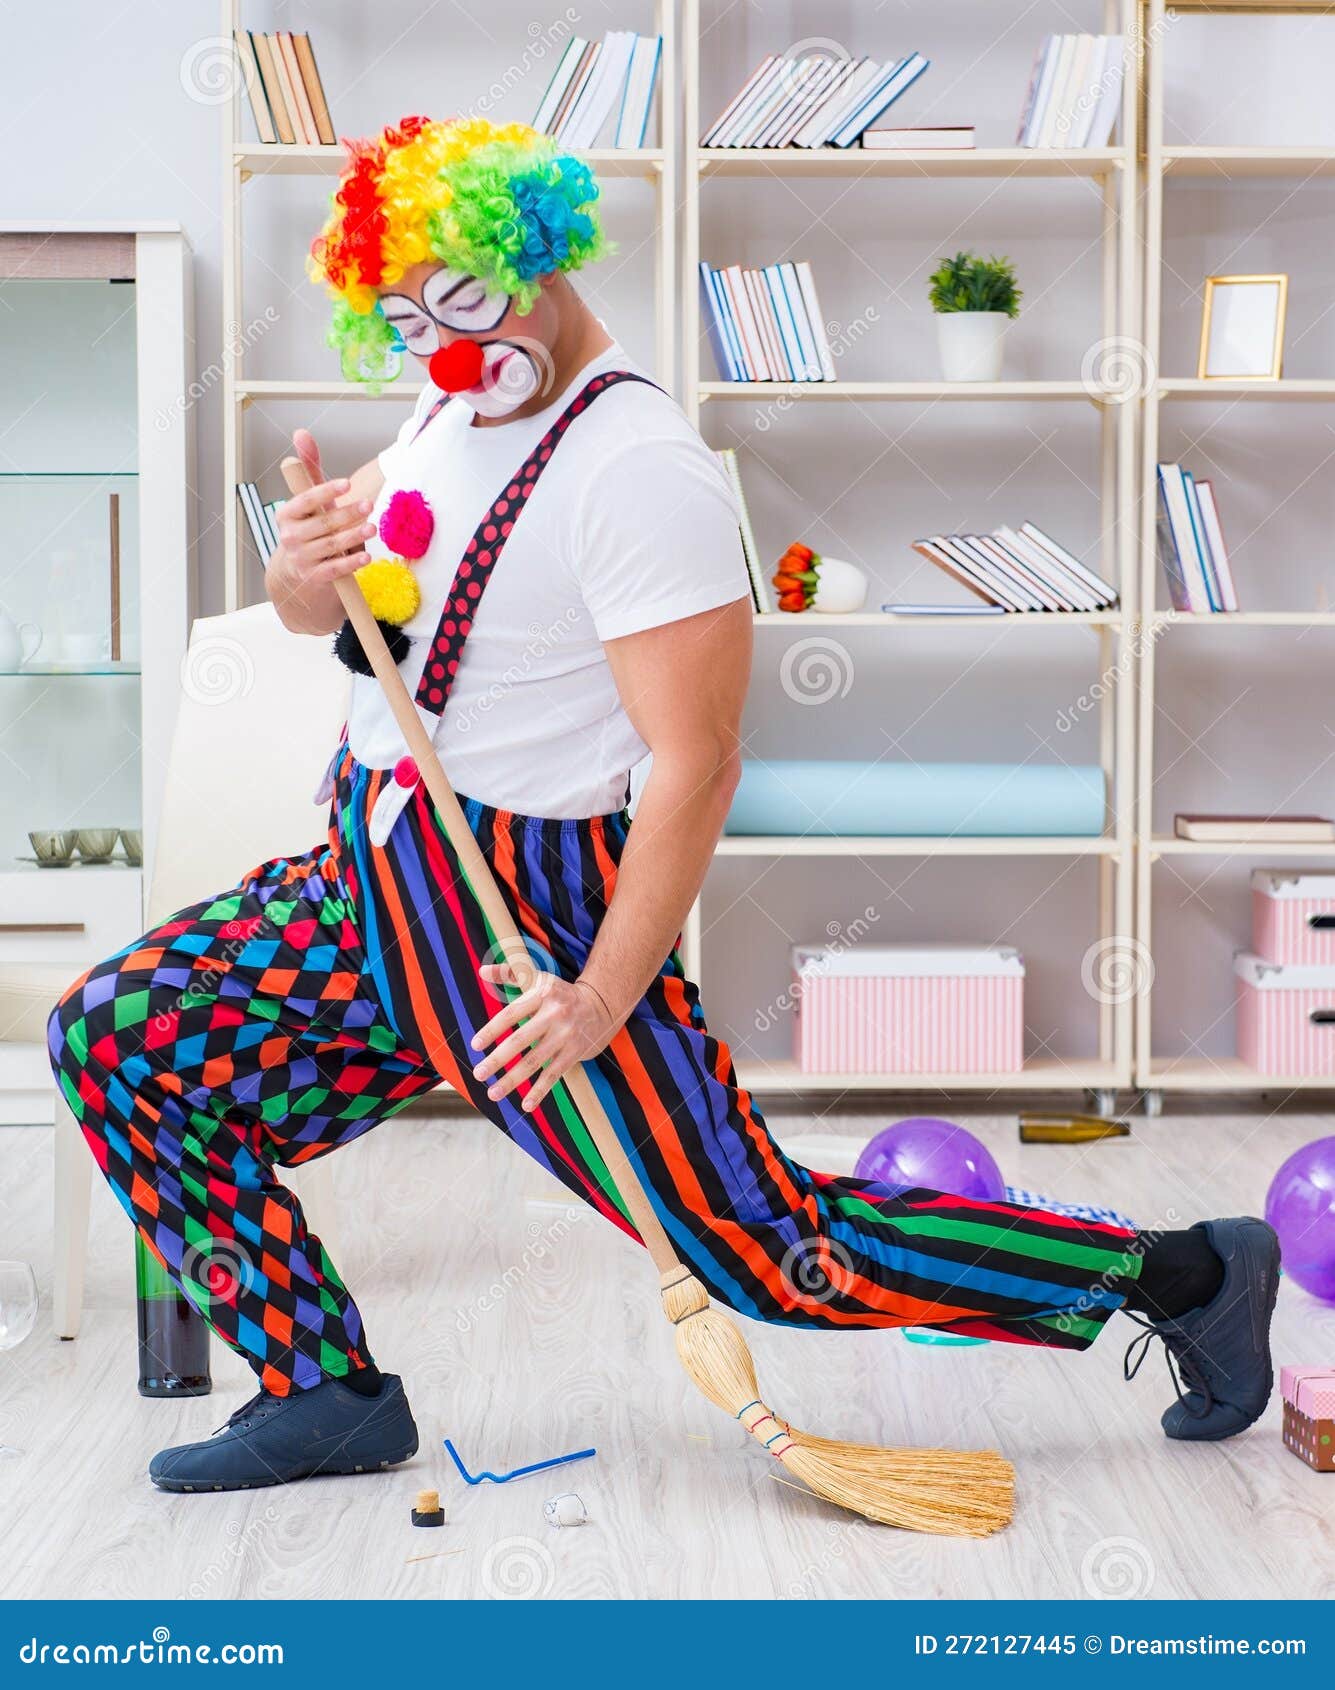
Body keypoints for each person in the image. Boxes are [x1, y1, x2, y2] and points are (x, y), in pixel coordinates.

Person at [49, 116, 1279, 1495]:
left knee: (762, 1249)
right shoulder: (445, 407)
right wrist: (304, 568)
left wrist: (600, 993)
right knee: (120, 1039)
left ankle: (1186, 1272)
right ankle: (322, 1386)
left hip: (528, 923)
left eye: (463, 300)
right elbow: (334, 626)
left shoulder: (636, 467)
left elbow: (694, 762)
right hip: (370, 870)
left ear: (538, 255)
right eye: (401, 318)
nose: (440, 346)